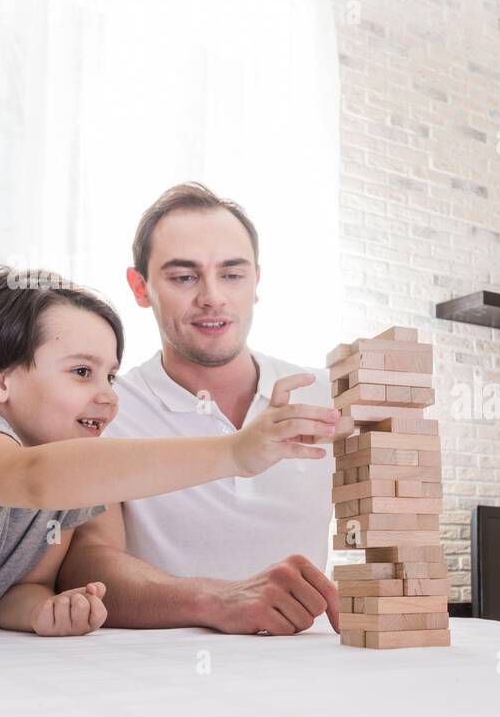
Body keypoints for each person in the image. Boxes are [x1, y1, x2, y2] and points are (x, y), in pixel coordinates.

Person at [0, 266, 332, 634]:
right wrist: (234, 452)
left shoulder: (68, 490)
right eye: (82, 373)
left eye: (111, 375)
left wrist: (44, 610)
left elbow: (24, 588)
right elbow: (32, 478)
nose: (108, 395)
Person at [58, 182, 342, 636]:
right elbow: (89, 565)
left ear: (256, 282)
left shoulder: (329, 395)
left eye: (232, 274)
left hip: (305, 665)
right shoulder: (108, 410)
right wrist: (217, 600)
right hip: (162, 672)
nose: (212, 296)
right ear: (141, 287)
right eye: (184, 277)